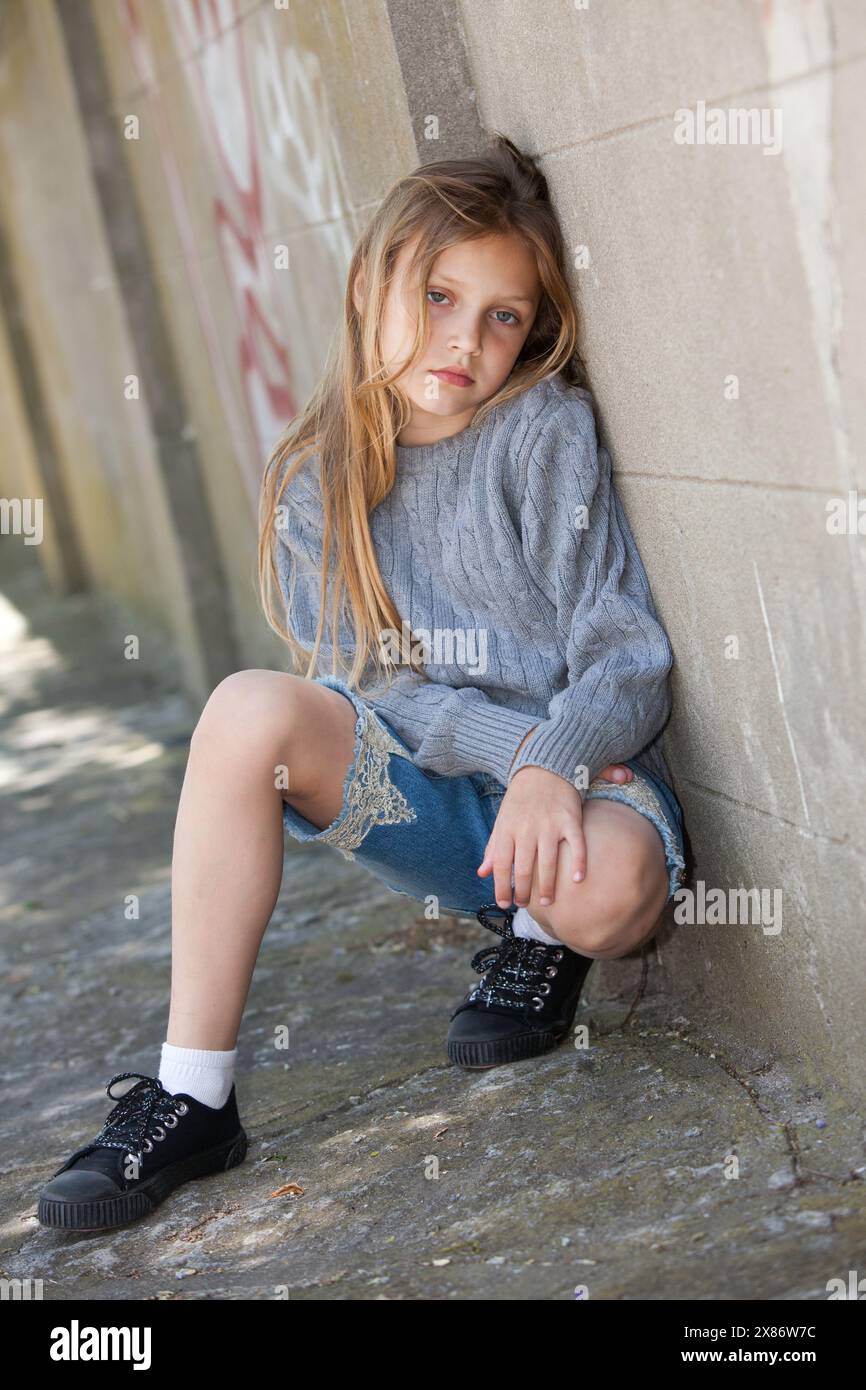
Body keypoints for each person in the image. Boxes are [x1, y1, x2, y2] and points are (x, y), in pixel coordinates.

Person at [37, 134, 685, 1233]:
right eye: (437, 295)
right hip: (458, 794)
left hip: (587, 776)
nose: (463, 340)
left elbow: (622, 655)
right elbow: (367, 690)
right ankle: (192, 1092)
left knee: (616, 892)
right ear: (369, 281)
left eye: (501, 316)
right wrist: (509, 759)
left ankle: (541, 933)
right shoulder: (317, 481)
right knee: (248, 710)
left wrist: (551, 763)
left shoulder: (539, 435)